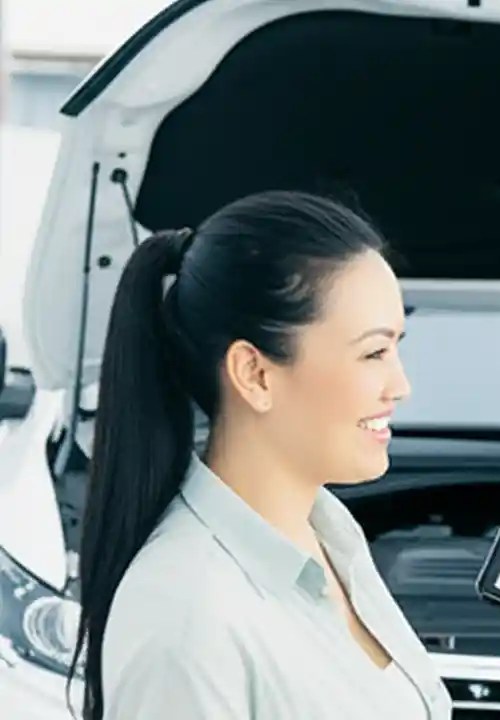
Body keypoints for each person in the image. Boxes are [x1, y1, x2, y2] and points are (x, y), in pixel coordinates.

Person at [70, 190, 452, 719]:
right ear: (255, 374)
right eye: (374, 352)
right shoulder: (187, 618)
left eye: (396, 347)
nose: (401, 385)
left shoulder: (331, 538)